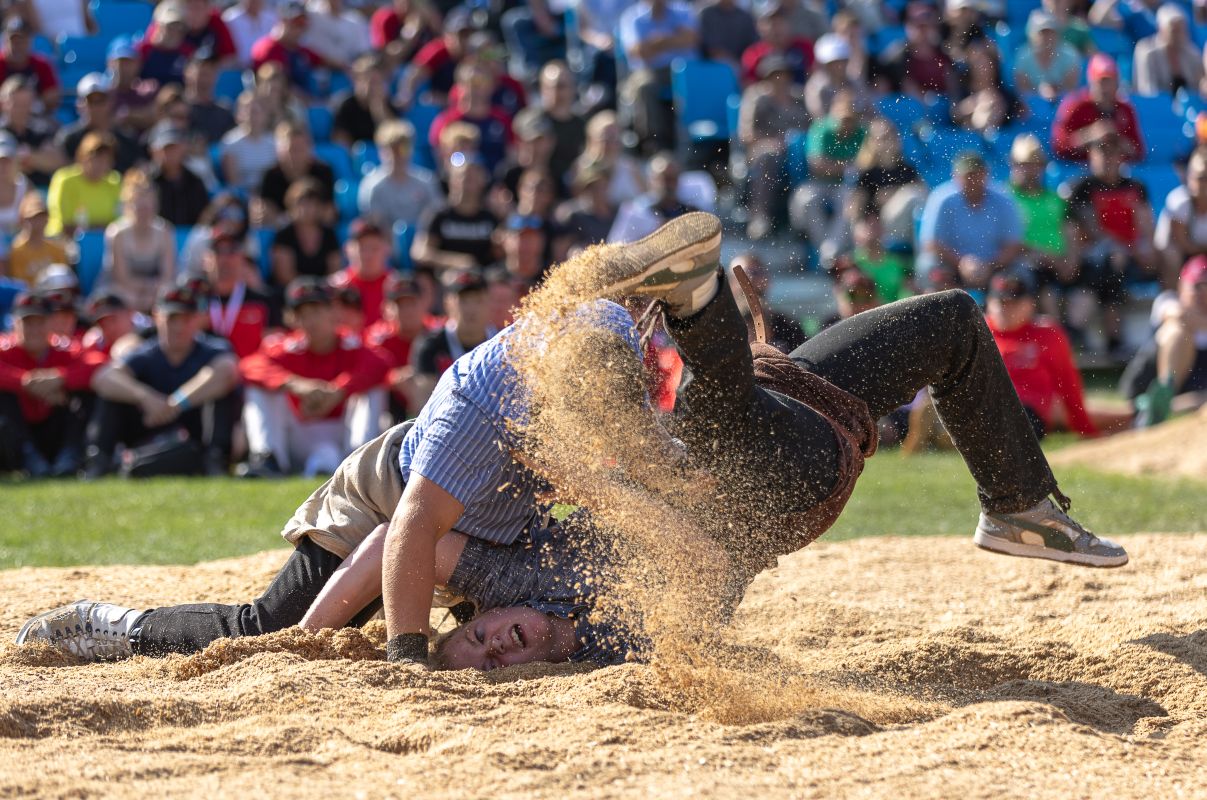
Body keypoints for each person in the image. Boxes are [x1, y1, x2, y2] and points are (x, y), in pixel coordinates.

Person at [84, 282, 239, 478]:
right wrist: (145, 397)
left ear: (197, 319)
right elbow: (103, 379)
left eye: (186, 318)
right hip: (149, 428)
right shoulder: (146, 352)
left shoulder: (212, 349)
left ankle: (216, 461)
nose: (179, 326)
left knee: (219, 396)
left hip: (196, 435)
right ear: (157, 317)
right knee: (111, 395)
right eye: (172, 318)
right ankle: (98, 460)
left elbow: (228, 371)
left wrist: (176, 403)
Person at [238, 277, 388, 477]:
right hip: (300, 433)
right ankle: (268, 459)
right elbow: (250, 366)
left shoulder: (350, 343)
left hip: (343, 436)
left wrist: (339, 390)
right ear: (293, 319)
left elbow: (382, 363)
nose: (311, 321)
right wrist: (296, 385)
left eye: (317, 311)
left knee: (373, 389)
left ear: (332, 312)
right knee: (259, 389)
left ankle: (361, 464)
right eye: (303, 314)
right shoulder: (289, 346)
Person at [1066, 133, 1157, 356]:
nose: (1108, 158)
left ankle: (1075, 329)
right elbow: (1088, 229)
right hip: (1094, 256)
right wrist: (1122, 248)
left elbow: (1146, 226)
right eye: (1102, 152)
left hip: (1128, 257)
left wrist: (1148, 253)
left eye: (1113, 151)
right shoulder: (1081, 188)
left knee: (1111, 265)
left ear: (1121, 156)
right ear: (1091, 156)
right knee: (1109, 263)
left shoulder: (1136, 187)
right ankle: (1113, 340)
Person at [984, 268, 1099, 439]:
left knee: (1051, 410)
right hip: (985, 409)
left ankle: (1136, 414)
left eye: (1012, 303)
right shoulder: (978, 334)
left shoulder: (1047, 334)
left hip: (1029, 414)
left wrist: (1086, 429)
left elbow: (1069, 385)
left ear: (1030, 304)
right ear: (989, 303)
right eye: (1001, 303)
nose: (1005, 309)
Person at [0, 292, 99, 477]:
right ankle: (28, 457)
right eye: (28, 323)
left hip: (53, 430)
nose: (34, 329)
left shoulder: (63, 348)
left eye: (40, 322)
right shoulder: (5, 348)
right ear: (15, 324)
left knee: (84, 394)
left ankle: (70, 455)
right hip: (14, 436)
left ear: (50, 324)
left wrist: (59, 379)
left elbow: (97, 364)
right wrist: (24, 382)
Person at [918, 151, 1023, 290]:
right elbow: (931, 244)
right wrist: (961, 263)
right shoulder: (941, 199)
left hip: (995, 268)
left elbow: (1013, 245)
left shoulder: (1004, 199)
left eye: (977, 174)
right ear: (955, 176)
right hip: (951, 266)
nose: (973, 180)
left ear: (986, 174)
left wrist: (990, 266)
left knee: (1022, 275)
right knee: (929, 267)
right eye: (967, 176)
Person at [1123, 255, 1207, 426]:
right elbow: (1177, 314)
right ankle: (1164, 390)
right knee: (1177, 330)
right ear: (1182, 286)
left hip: (1192, 393)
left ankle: (1156, 408)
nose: (1202, 295)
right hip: (1150, 381)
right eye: (1197, 287)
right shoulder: (1168, 300)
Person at [787, 89, 867, 266]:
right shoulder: (821, 128)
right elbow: (817, 165)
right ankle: (827, 253)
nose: (846, 124)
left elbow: (866, 164)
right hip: (818, 183)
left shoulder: (862, 131)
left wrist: (838, 166)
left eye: (850, 118)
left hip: (847, 187)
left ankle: (831, 253)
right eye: (843, 119)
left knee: (851, 202)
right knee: (807, 200)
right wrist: (846, 165)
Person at [738, 54, 810, 240]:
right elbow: (746, 134)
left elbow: (812, 127)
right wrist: (772, 140)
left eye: (783, 75)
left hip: (797, 150)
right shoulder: (756, 98)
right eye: (775, 75)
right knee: (767, 157)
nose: (780, 80)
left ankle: (802, 221)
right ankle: (760, 216)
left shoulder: (799, 97)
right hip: (764, 148)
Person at [1007, 133, 1079, 318]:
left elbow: (1069, 230)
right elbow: (1007, 239)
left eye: (1035, 164)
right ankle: (1054, 336)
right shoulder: (1005, 198)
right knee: (1043, 286)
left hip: (1058, 265)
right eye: (1024, 164)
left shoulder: (1055, 198)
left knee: (1092, 285)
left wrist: (1070, 261)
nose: (1029, 170)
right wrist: (1046, 257)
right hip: (1025, 264)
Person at [408, 268, 497, 409]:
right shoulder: (430, 345)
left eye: (478, 300)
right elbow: (423, 405)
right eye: (463, 300)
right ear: (448, 304)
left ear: (489, 303)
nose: (471, 309)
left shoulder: (503, 346)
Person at [617, 0, 698, 154]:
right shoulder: (632, 17)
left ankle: (696, 141)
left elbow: (691, 39)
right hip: (649, 71)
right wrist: (674, 38)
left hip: (683, 72)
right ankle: (656, 143)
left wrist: (657, 42)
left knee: (698, 82)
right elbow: (639, 51)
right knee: (645, 87)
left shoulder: (682, 10)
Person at [103, 168, 176, 313]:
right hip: (122, 290)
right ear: (128, 205)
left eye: (149, 206)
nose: (144, 212)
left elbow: (167, 276)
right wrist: (146, 293)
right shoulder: (117, 233)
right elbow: (121, 278)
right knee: (127, 299)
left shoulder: (165, 231)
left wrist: (151, 293)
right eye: (140, 207)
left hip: (152, 292)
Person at [1051, 54, 1145, 163]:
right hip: (1080, 170)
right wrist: (1090, 135)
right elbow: (1059, 145)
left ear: (1117, 83)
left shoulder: (1125, 109)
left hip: (1116, 173)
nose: (1105, 88)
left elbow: (1138, 151)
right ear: (1091, 82)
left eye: (1109, 81)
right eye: (1101, 82)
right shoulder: (1075, 106)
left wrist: (1116, 139)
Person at [412, 157, 499, 271]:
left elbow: (498, 254)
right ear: (451, 180)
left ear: (482, 182)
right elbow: (419, 253)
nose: (467, 182)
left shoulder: (491, 218)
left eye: (473, 178)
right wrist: (455, 262)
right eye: (463, 177)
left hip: (483, 281)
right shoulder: (438, 215)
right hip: (447, 281)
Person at [198, 226, 270, 358]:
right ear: (205, 260)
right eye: (218, 251)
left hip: (250, 374)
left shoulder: (264, 302)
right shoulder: (193, 302)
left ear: (242, 258)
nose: (225, 259)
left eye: (232, 251)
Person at [366, 273, 429, 421]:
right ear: (387, 308)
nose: (406, 311)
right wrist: (392, 378)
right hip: (390, 408)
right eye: (400, 304)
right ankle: (364, 443)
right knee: (372, 393)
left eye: (411, 303)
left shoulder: (437, 332)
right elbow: (365, 371)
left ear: (423, 303)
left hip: (432, 401)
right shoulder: (378, 337)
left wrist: (418, 376)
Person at [356, 119, 439, 231]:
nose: (397, 155)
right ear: (381, 151)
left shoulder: (427, 181)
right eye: (392, 149)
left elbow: (436, 217)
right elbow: (374, 224)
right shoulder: (372, 186)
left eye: (403, 148)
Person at [54, 72, 144, 174]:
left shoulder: (127, 139)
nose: (96, 107)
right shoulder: (68, 139)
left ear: (110, 102)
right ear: (80, 104)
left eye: (101, 100)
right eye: (91, 101)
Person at [255, 120, 336, 227]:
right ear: (279, 151)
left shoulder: (323, 171)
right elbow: (265, 212)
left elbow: (328, 212)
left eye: (301, 149)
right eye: (291, 149)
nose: (296, 155)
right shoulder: (270, 176)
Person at [45, 131, 122, 238]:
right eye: (96, 159)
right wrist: (97, 228)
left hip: (103, 242)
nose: (100, 165)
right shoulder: (65, 180)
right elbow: (64, 224)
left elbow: (118, 222)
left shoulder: (114, 182)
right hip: (65, 242)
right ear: (82, 157)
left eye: (106, 160)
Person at [727, 251, 805, 351]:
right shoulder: (720, 327)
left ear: (767, 279)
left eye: (756, 273)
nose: (749, 279)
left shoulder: (789, 328)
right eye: (743, 274)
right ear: (730, 282)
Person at [1156, 148, 1207, 290]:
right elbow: (1182, 243)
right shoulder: (1179, 201)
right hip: (1181, 254)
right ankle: (1172, 295)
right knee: (1172, 254)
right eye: (1200, 177)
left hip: (1199, 253)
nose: (1203, 184)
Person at [329, 218, 392, 329]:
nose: (368, 255)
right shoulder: (335, 287)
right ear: (347, 249)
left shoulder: (397, 286)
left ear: (387, 249)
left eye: (374, 248)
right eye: (362, 248)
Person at [250, 0, 325, 91]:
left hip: (304, 100)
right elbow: (276, 85)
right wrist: (305, 100)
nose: (300, 28)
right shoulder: (268, 48)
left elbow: (322, 60)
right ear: (283, 22)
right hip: (279, 101)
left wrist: (345, 67)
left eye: (303, 23)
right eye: (296, 22)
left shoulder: (298, 49)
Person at [146, 124, 210, 228]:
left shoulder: (195, 180)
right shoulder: (147, 181)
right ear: (154, 151)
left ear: (183, 148)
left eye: (174, 147)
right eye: (166, 148)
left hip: (191, 239)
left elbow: (203, 216)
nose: (170, 153)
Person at [1132, 3, 1203, 96]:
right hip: (1157, 105)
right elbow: (1148, 90)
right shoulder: (1146, 52)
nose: (1178, 35)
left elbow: (1197, 88)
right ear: (1161, 29)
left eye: (1181, 30)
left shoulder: (1192, 53)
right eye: (1174, 30)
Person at [740, 0, 814, 86]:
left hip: (802, 96)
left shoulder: (804, 47)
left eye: (780, 20)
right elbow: (750, 87)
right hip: (769, 97)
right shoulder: (753, 54)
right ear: (759, 27)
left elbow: (813, 76)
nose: (776, 27)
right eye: (770, 22)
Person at [1013, 9, 1082, 99]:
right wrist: (1039, 92)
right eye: (1042, 33)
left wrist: (1055, 91)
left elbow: (1071, 90)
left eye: (1050, 32)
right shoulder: (1023, 56)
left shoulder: (1070, 54)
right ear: (1032, 35)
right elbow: (1022, 90)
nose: (1047, 37)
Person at [219, 91, 278, 194]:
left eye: (257, 111)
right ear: (238, 114)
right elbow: (233, 182)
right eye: (247, 110)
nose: (251, 115)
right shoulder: (230, 142)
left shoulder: (275, 142)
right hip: (242, 196)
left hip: (269, 195)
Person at [0, 17, 59, 113]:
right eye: (14, 40)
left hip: (35, 117)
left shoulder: (41, 64)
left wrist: (32, 105)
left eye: (22, 40)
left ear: (29, 41)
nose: (18, 45)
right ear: (6, 41)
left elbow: (52, 96)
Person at [7, 192, 67, 284]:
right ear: (24, 220)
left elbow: (64, 280)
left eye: (42, 217)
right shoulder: (17, 251)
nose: (39, 222)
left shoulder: (57, 249)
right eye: (34, 218)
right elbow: (19, 284)